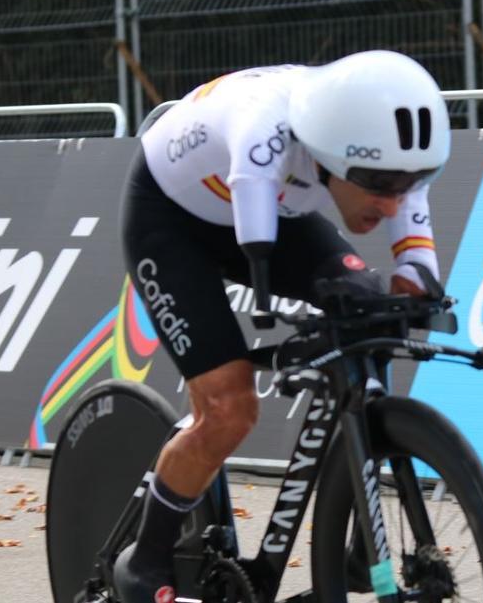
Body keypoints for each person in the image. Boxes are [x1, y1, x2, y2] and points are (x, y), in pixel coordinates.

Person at [114, 49, 452, 603]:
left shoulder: (380, 151)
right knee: (229, 407)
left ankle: (364, 537)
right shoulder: (263, 125)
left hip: (274, 210)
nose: (392, 205)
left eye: (406, 185)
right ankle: (144, 559)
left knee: (370, 310)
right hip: (172, 219)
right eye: (377, 185)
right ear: (328, 155)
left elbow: (415, 272)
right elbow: (256, 243)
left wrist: (410, 292)